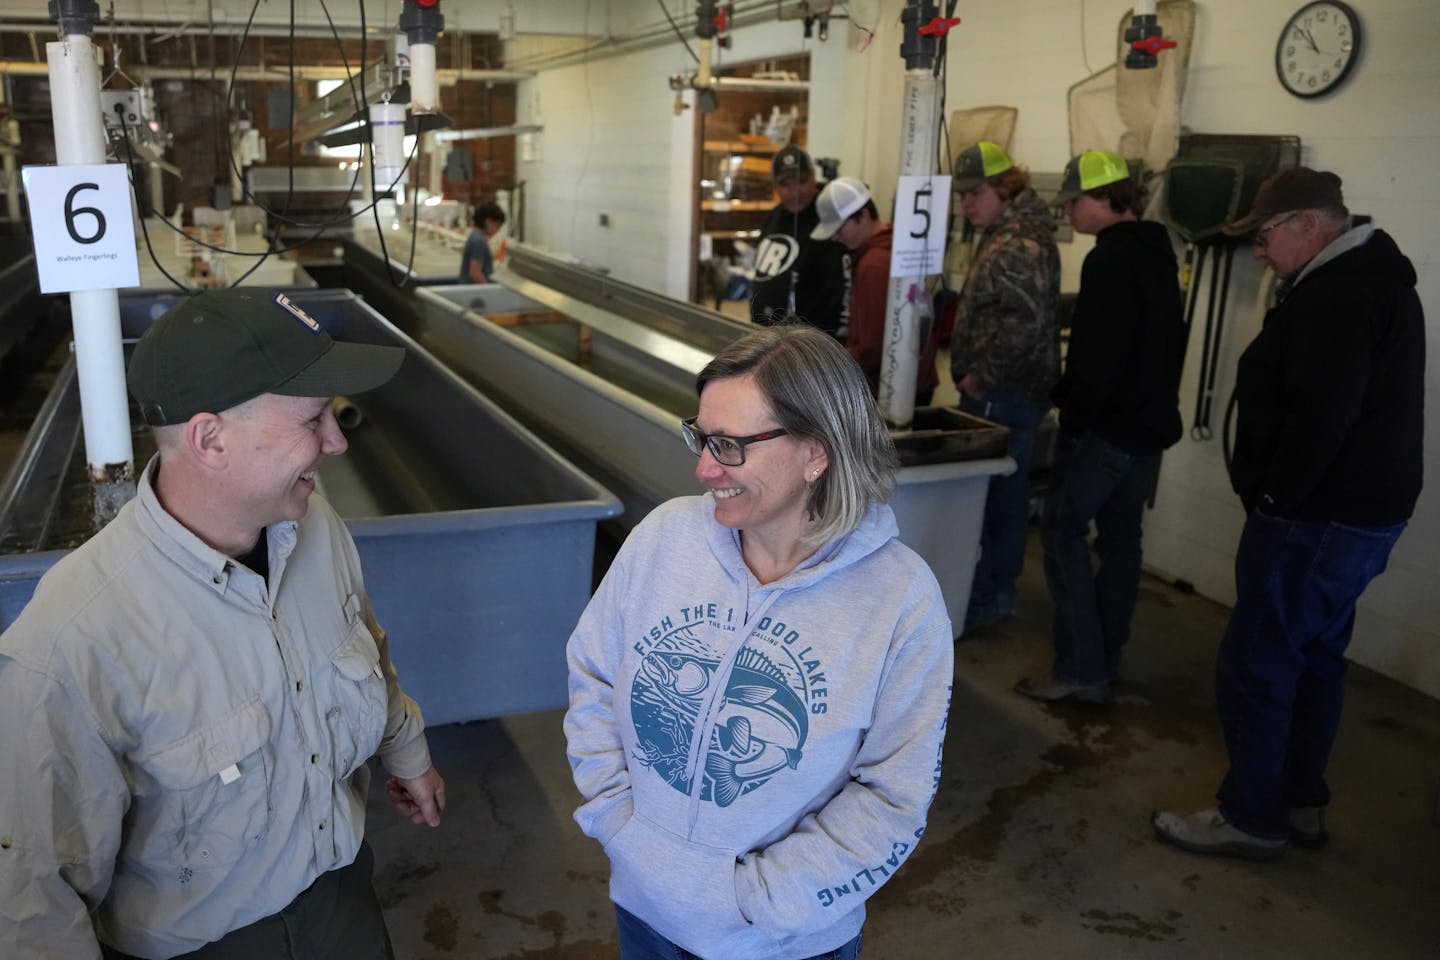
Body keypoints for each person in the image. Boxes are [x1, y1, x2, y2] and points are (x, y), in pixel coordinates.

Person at [0, 289, 446, 959]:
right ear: (210, 439)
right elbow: (34, 897)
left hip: (341, 896)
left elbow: (366, 646)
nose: (336, 441)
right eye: (313, 419)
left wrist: (408, 752)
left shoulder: (316, 528)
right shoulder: (74, 640)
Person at [564, 325, 953, 960]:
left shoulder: (901, 601)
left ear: (816, 451)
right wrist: (620, 824)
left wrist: (757, 900)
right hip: (643, 908)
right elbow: (594, 674)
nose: (703, 468)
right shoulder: (663, 539)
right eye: (701, 437)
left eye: (729, 446)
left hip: (784, 941)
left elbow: (893, 794)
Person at [1152, 169, 1425, 860]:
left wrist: (1275, 499)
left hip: (1317, 518)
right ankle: (1300, 801)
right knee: (1316, 658)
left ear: (1309, 223)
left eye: (1267, 235)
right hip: (1360, 516)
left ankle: (1251, 816)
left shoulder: (1341, 295)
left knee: (1259, 662)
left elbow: (1322, 417)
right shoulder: (1374, 282)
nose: (1259, 252)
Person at [1015, 150, 1183, 705]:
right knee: (1121, 543)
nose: (1069, 212)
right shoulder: (1159, 253)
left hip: (1105, 433)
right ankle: (1105, 658)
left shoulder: (1109, 260)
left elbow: (1097, 358)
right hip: (1147, 433)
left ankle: (1080, 668)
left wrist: (1069, 407)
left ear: (1107, 199)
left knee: (1061, 535)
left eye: (1075, 201)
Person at [948, 141, 1061, 633]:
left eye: (975, 193)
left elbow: (1023, 325)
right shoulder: (1009, 234)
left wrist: (981, 377)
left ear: (1004, 188)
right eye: (962, 195)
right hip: (1004, 391)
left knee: (997, 499)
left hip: (1003, 393)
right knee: (998, 496)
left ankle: (990, 597)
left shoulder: (1019, 243)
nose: (966, 204)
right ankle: (990, 593)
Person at [811, 177, 939, 406]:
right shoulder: (896, 247)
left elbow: (872, 347)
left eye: (839, 228)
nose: (835, 237)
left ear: (863, 215)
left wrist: (831, 373)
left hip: (892, 389)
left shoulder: (874, 264)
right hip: (913, 381)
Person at [750, 145, 849, 339]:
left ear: (813, 177)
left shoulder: (829, 218)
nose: (795, 192)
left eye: (801, 181)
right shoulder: (775, 215)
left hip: (812, 343)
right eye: (786, 184)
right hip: (767, 337)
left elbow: (842, 287)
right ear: (775, 186)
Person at [461, 200, 507, 283]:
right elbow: (475, 273)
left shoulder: (474, 236)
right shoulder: (479, 242)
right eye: (498, 225)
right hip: (475, 289)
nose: (498, 230)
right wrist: (489, 288)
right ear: (488, 222)